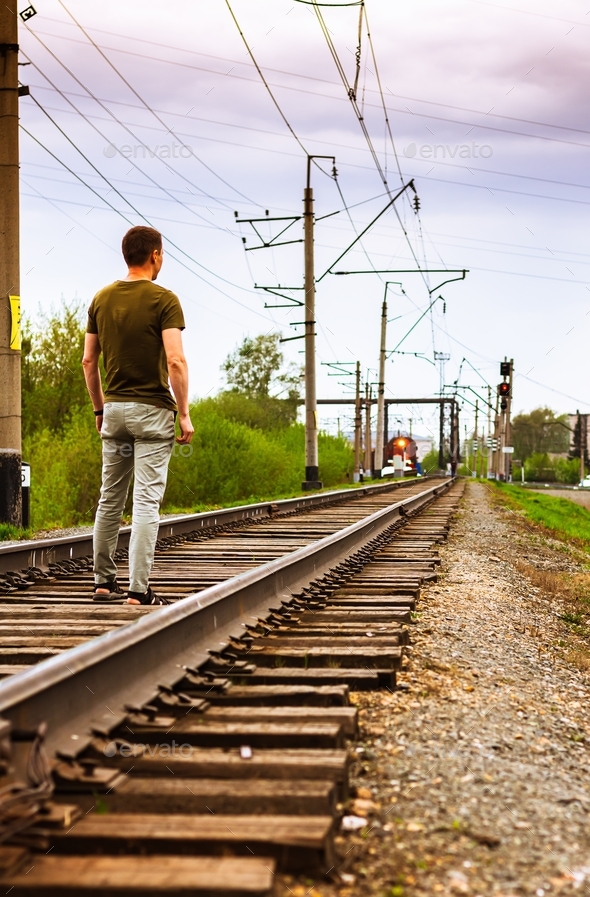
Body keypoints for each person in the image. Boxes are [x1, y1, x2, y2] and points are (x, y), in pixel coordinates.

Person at [82, 226, 194, 606]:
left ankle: (102, 582)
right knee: (145, 503)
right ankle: (138, 590)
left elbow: (88, 360)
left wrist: (100, 408)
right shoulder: (165, 299)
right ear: (156, 255)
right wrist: (184, 413)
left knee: (109, 499)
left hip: (113, 411)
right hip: (152, 411)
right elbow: (176, 361)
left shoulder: (101, 299)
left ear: (126, 253)